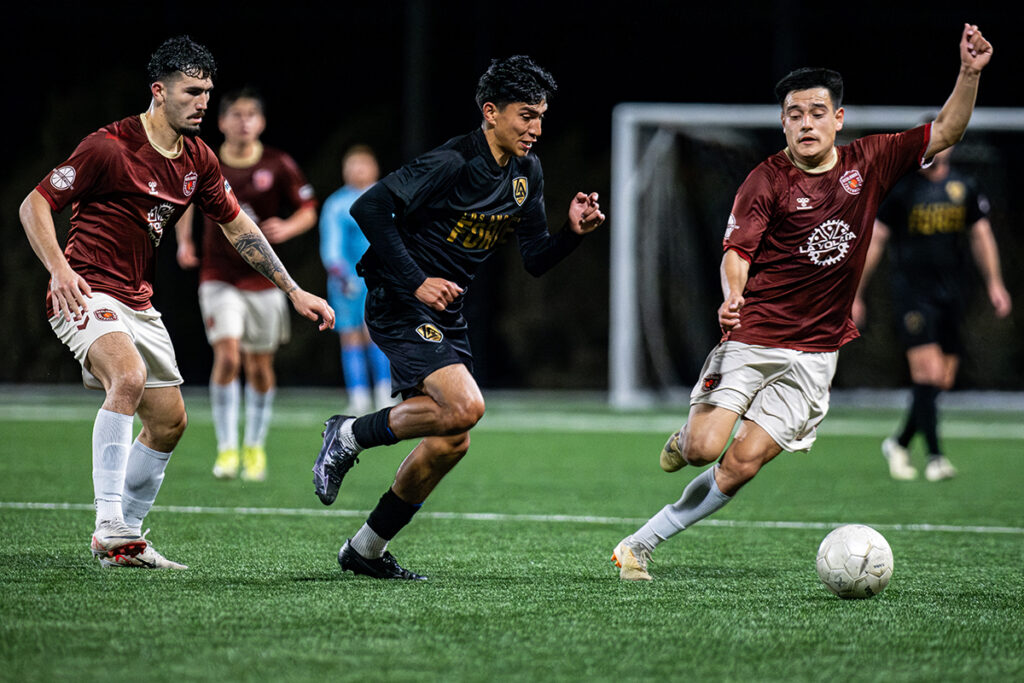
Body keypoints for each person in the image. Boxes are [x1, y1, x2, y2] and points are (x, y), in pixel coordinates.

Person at [611, 24, 993, 581]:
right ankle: (684, 437)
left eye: (817, 111)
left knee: (740, 465)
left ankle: (638, 546)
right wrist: (733, 296)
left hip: (816, 354)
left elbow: (947, 130)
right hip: (754, 335)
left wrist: (970, 72)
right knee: (703, 449)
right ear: (783, 121)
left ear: (837, 118)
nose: (806, 122)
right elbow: (736, 253)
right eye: (794, 113)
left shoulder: (872, 161)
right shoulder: (766, 179)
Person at [19, 36, 334, 570]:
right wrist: (59, 268)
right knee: (129, 376)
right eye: (192, 92)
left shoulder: (198, 159)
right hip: (86, 290)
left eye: (208, 92)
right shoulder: (109, 146)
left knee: (169, 422)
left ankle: (129, 542)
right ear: (158, 92)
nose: (203, 102)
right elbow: (36, 203)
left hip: (138, 303)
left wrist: (294, 289)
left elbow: (239, 228)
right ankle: (108, 523)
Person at [311, 55, 605, 580]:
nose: (535, 128)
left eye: (540, 116)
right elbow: (370, 208)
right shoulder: (451, 161)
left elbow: (535, 258)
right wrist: (416, 279)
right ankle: (350, 434)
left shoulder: (526, 173)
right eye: (525, 115)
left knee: (451, 439)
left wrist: (571, 234)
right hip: (400, 300)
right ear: (490, 112)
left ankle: (366, 549)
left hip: (447, 310)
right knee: (467, 406)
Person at [176, 87, 318, 482]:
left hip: (263, 279)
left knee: (259, 367)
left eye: (250, 115)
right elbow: (185, 200)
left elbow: (308, 207)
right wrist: (185, 242)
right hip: (218, 276)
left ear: (261, 122)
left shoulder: (277, 163)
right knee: (227, 356)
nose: (243, 122)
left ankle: (254, 445)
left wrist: (287, 227)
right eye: (235, 115)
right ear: (221, 122)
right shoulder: (206, 160)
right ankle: (226, 449)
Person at [853, 146, 1011, 482]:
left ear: (950, 147)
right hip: (913, 294)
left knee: (943, 378)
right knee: (927, 372)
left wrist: (995, 284)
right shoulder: (902, 191)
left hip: (953, 295)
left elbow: (981, 235)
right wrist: (857, 294)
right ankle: (936, 458)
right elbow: (876, 241)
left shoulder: (964, 186)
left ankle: (899, 443)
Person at [319, 145, 393, 415]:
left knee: (377, 334)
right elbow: (331, 244)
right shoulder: (336, 203)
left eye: (362, 164)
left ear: (374, 168)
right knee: (350, 336)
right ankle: (358, 396)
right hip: (347, 281)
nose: (356, 170)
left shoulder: (386, 197)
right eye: (351, 165)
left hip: (381, 279)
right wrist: (339, 273)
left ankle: (385, 393)